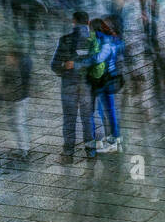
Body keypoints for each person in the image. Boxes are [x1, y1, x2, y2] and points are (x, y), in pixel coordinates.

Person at [51, 10, 97, 158]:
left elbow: (54, 66)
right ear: (88, 23)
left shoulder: (65, 40)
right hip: (88, 86)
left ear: (73, 22)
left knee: (69, 118)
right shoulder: (94, 40)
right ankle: (90, 150)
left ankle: (68, 150)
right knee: (88, 118)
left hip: (69, 84)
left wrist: (68, 66)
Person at [88, 18, 124, 153]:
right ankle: (115, 137)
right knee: (110, 109)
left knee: (105, 110)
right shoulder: (114, 39)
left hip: (105, 79)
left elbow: (98, 59)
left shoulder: (104, 41)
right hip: (111, 77)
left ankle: (113, 139)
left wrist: (87, 57)